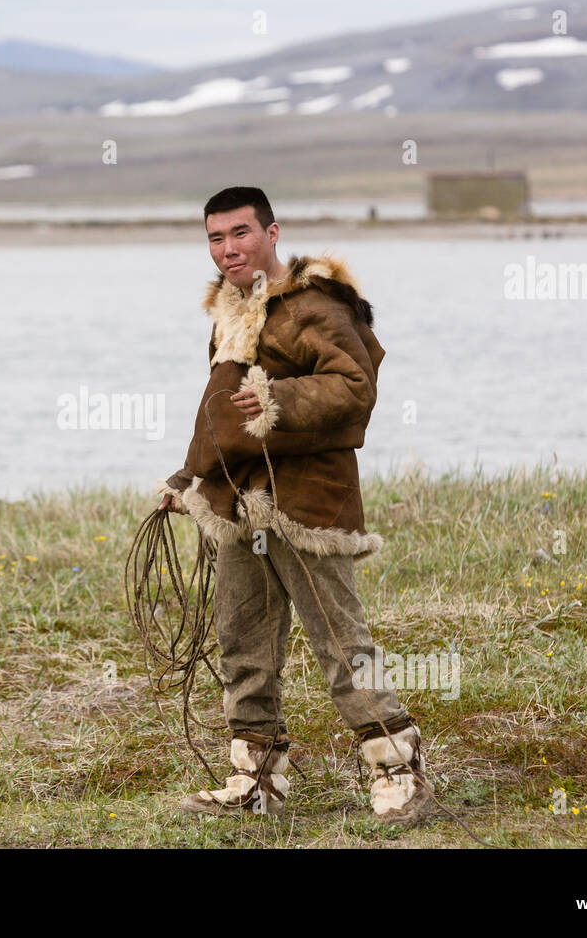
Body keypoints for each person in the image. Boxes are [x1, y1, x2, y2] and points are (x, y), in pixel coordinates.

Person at [155, 186, 432, 825]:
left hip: (306, 500)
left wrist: (278, 397)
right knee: (242, 637)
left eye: (240, 234)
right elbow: (221, 414)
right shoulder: (231, 312)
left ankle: (398, 767)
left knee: (338, 638)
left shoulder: (316, 307)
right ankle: (256, 779)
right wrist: (188, 478)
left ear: (272, 233)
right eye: (216, 238)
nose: (228, 249)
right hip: (240, 503)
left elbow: (354, 386)